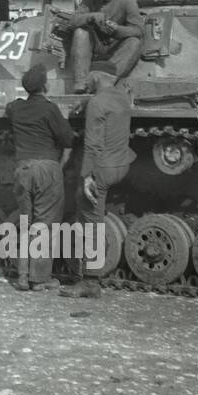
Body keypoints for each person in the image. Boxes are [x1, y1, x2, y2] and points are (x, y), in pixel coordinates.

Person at [61, 65, 135, 299]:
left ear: (97, 76)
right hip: (122, 164)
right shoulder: (122, 97)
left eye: (90, 75)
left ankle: (91, 282)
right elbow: (105, 108)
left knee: (90, 220)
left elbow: (92, 145)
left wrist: (86, 177)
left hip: (101, 169)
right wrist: (86, 104)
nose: (87, 79)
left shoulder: (97, 104)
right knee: (91, 214)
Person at [4, 63, 76, 291]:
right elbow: (67, 139)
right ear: (45, 86)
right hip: (46, 168)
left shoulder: (15, 108)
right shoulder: (50, 109)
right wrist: (63, 118)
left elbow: (10, 108)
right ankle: (39, 279)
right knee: (45, 223)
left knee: (26, 221)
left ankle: (23, 275)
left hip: (23, 169)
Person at [68, 0, 143, 93]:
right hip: (96, 45)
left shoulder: (127, 1)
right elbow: (73, 21)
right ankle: (81, 83)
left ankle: (104, 80)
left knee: (135, 42)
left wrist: (117, 29)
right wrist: (91, 16)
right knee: (80, 32)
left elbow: (139, 30)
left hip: (117, 46)